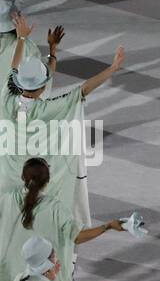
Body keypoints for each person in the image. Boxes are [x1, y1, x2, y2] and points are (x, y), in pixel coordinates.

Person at [4, 22, 125, 226]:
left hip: (6, 179)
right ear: (43, 87)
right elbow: (83, 89)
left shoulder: (6, 97)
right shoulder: (49, 109)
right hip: (35, 178)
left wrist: (22, 38)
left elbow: (14, 67)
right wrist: (112, 68)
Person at [0, 159, 126, 281]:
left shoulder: (5, 201)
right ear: (47, 181)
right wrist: (108, 226)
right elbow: (78, 237)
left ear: (22, 177)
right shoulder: (55, 208)